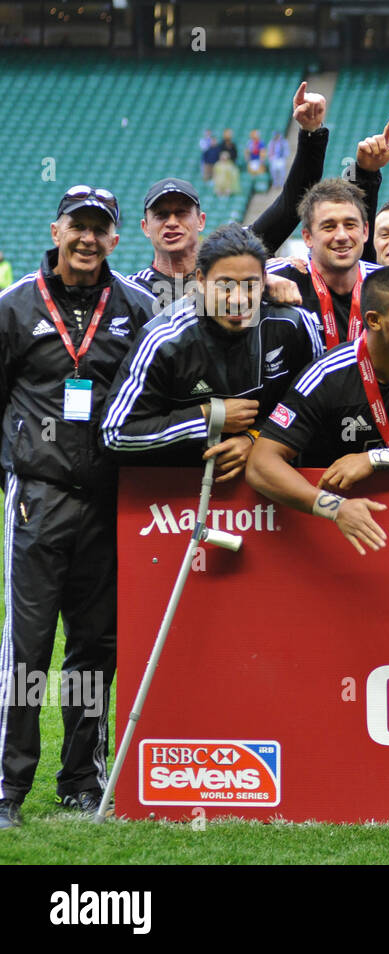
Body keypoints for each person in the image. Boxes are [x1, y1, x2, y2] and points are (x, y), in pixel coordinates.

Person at [0, 187, 155, 828]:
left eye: (101, 229)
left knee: (94, 650)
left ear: (116, 238)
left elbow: (153, 394)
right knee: (29, 652)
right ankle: (8, 790)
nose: (89, 239)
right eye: (78, 227)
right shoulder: (13, 308)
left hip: (108, 502)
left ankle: (81, 783)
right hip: (39, 499)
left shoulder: (138, 308)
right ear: (57, 230)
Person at [246, 266, 389, 554]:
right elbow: (261, 465)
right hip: (332, 527)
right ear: (374, 320)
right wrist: (332, 507)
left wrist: (374, 458)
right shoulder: (326, 375)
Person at [102, 225, 324, 477]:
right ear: (200, 280)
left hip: (273, 498)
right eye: (225, 286)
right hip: (176, 501)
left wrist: (257, 439)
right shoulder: (164, 341)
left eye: (250, 285)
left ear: (264, 279)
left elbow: (313, 410)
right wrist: (208, 417)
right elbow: (115, 435)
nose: (238, 299)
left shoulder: (294, 326)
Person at [135, 83, 333, 303]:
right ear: (145, 227)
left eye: (181, 213)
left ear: (201, 221)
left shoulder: (237, 255)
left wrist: (311, 132)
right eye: (161, 215)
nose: (172, 222)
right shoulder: (132, 293)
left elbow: (291, 204)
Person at [268, 179, 384, 349]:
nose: (342, 236)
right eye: (329, 227)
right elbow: (215, 303)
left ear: (365, 232)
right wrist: (260, 281)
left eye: (350, 225)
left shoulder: (387, 284)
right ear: (307, 237)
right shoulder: (279, 276)